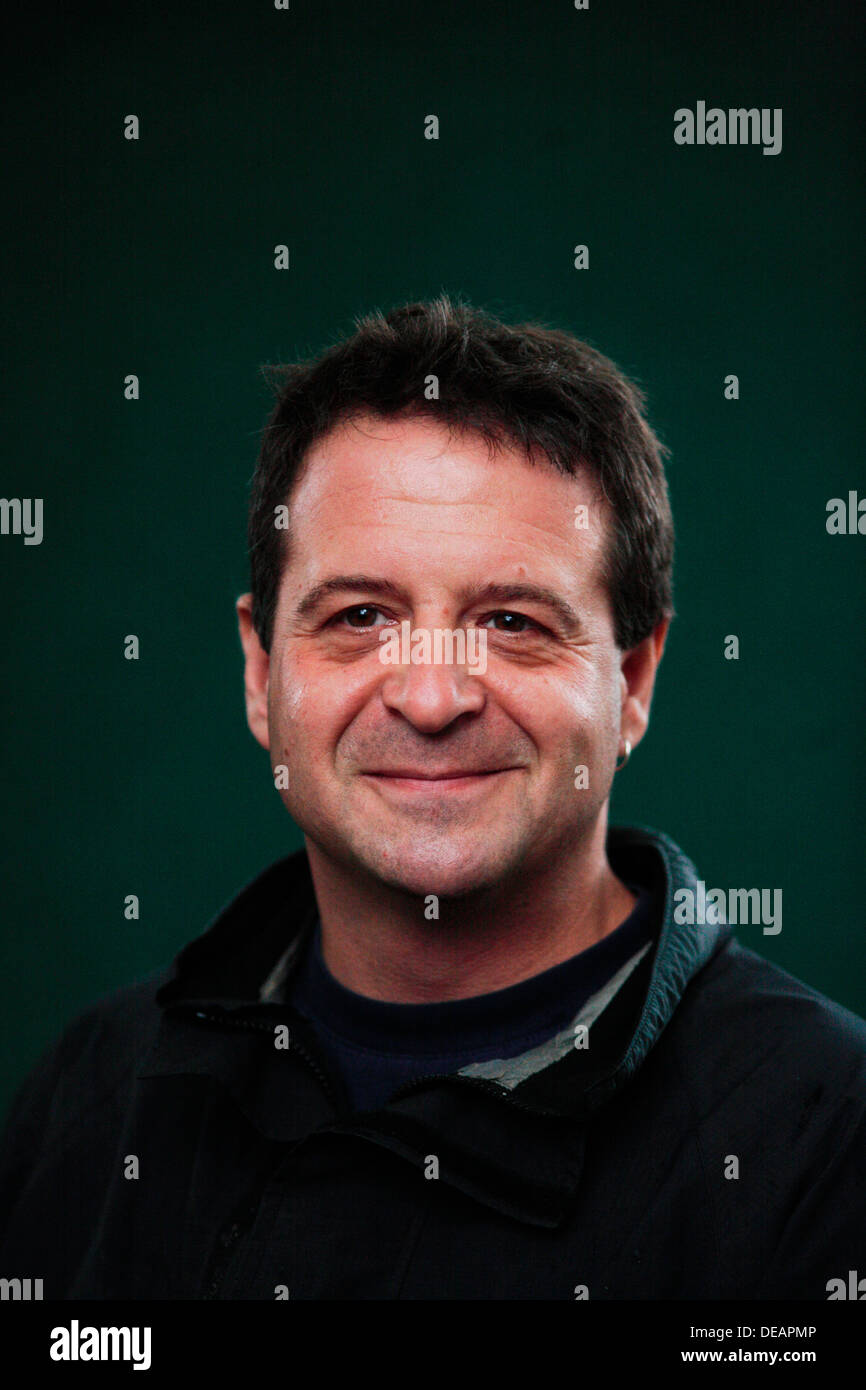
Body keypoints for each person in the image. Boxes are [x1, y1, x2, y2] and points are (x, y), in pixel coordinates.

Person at [1, 297, 864, 1300]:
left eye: (509, 621)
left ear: (629, 683)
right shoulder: (95, 1092)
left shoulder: (823, 1138)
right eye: (359, 615)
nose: (430, 696)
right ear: (258, 670)